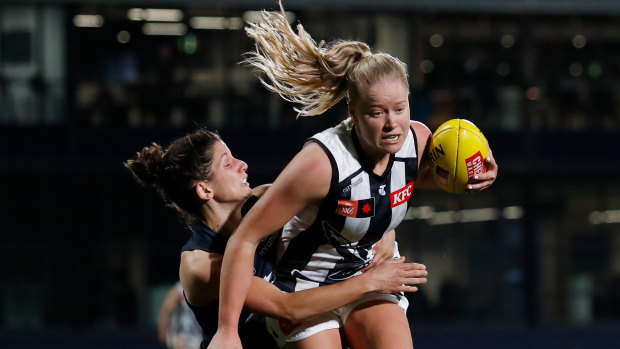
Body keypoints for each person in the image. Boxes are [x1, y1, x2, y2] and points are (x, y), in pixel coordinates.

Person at [210, 2, 498, 348]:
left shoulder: (418, 140)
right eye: (377, 112)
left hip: (367, 274)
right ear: (353, 113)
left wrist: (475, 174)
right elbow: (245, 239)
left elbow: (414, 180)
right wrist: (226, 331)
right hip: (306, 285)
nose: (393, 124)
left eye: (400, 108)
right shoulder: (319, 164)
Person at [125, 129, 429, 348]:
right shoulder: (201, 263)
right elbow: (287, 306)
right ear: (205, 190)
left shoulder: (264, 199)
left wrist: (386, 234)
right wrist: (372, 282)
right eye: (228, 163)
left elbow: (355, 207)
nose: (243, 164)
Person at [157, 281, 203, 349]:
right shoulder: (179, 289)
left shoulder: (202, 289)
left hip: (197, 336)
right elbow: (167, 309)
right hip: (182, 336)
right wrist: (163, 328)